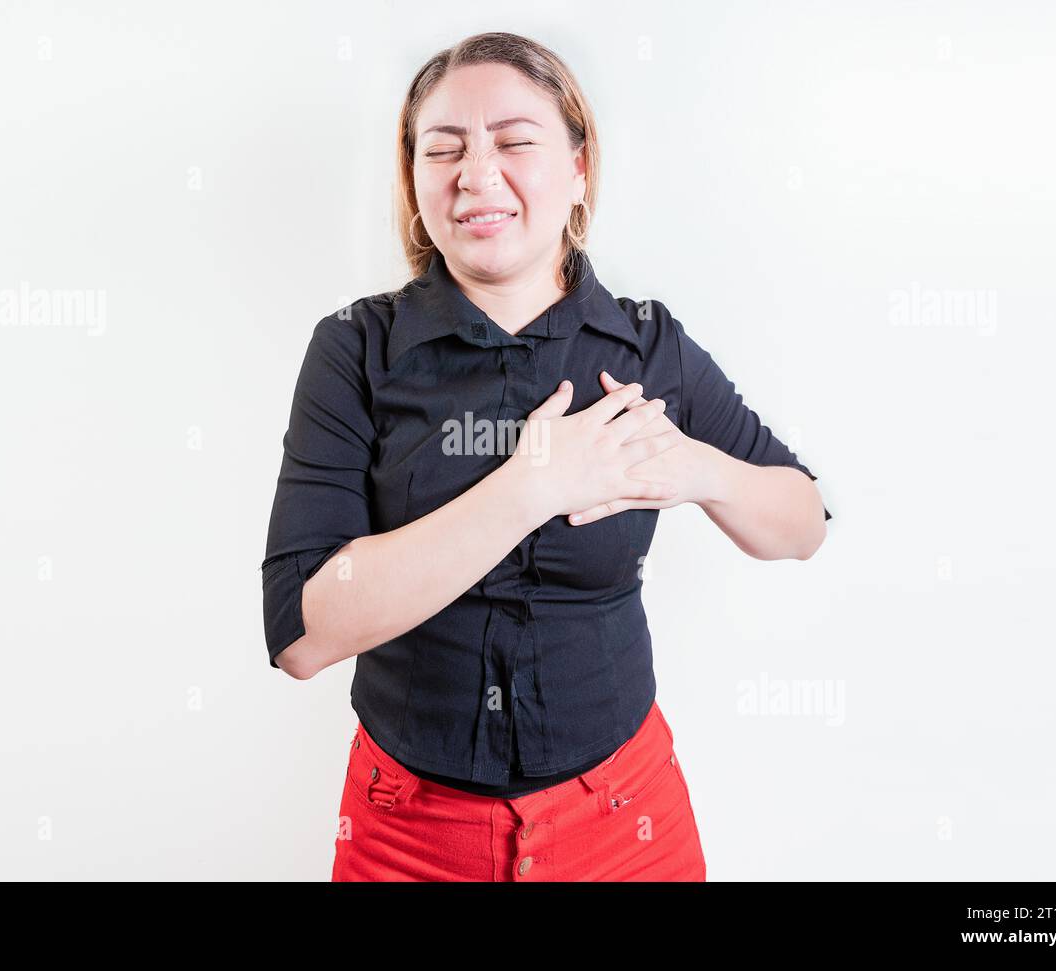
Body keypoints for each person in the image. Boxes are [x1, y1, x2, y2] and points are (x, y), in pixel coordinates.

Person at [260, 31, 831, 882]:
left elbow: (805, 520)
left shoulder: (648, 347)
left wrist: (699, 471)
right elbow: (302, 633)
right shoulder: (355, 350)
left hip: (627, 822)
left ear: (578, 169)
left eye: (516, 142)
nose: (476, 175)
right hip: (408, 837)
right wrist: (532, 487)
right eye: (442, 149)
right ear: (414, 183)